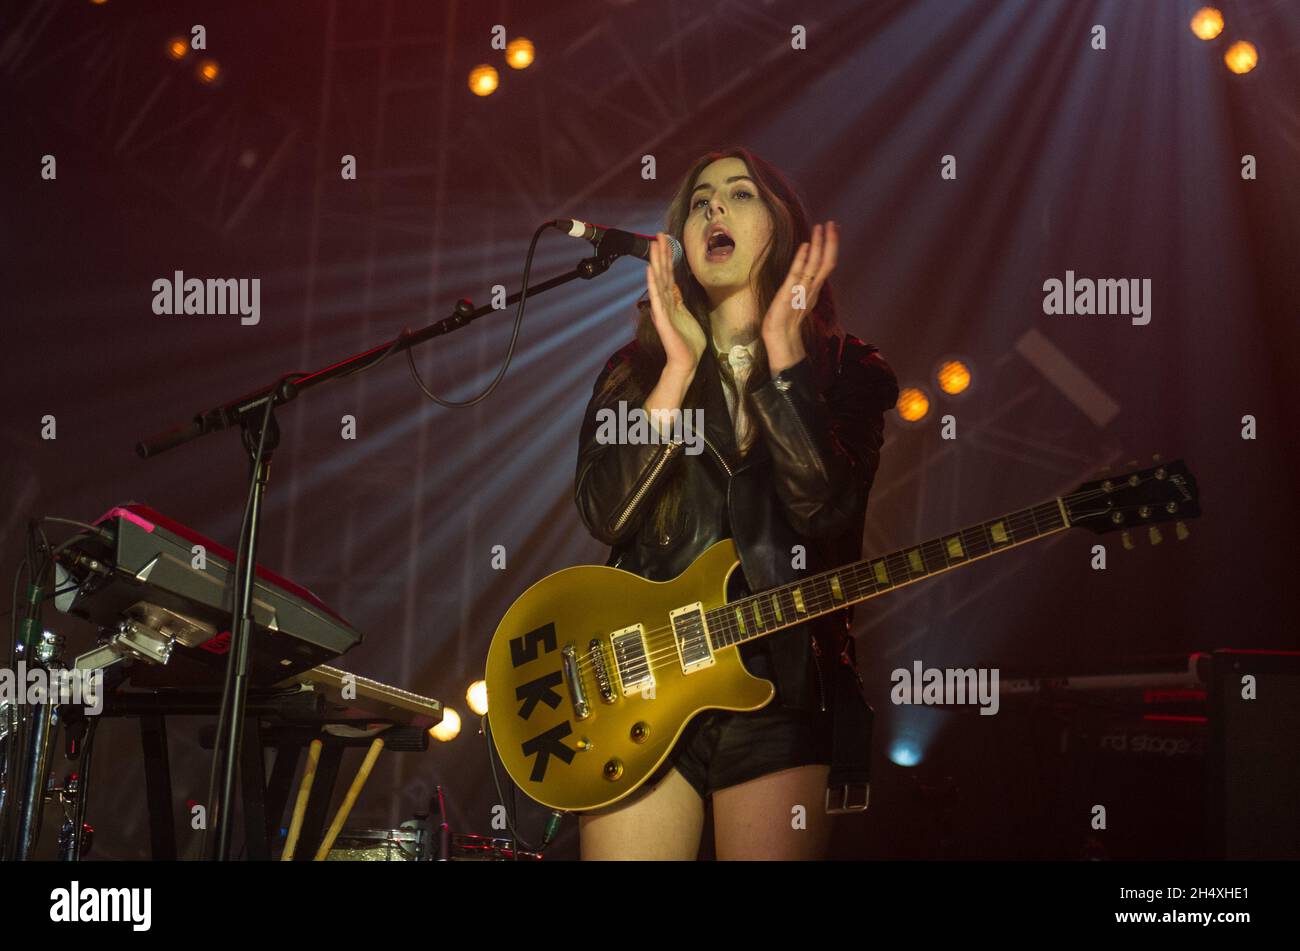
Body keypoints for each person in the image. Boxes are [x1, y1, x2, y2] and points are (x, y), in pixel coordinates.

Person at [573, 146, 899, 859]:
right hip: (643, 687)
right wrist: (678, 372)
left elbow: (825, 511)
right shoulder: (636, 371)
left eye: (740, 194)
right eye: (699, 201)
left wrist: (784, 363)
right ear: (684, 244)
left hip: (779, 690)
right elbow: (605, 512)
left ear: (783, 229)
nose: (714, 206)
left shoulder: (848, 372)